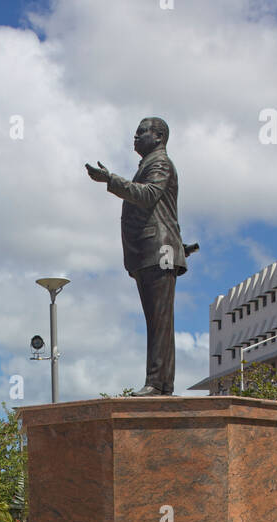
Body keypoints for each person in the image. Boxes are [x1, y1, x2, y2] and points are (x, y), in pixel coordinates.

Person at [86, 117, 190, 396]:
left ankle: (157, 383)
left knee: (159, 321)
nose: (135, 136)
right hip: (152, 252)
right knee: (159, 321)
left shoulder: (160, 163)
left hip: (159, 251)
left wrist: (110, 179)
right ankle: (161, 383)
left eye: (142, 132)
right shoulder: (150, 164)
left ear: (159, 137)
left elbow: (148, 195)